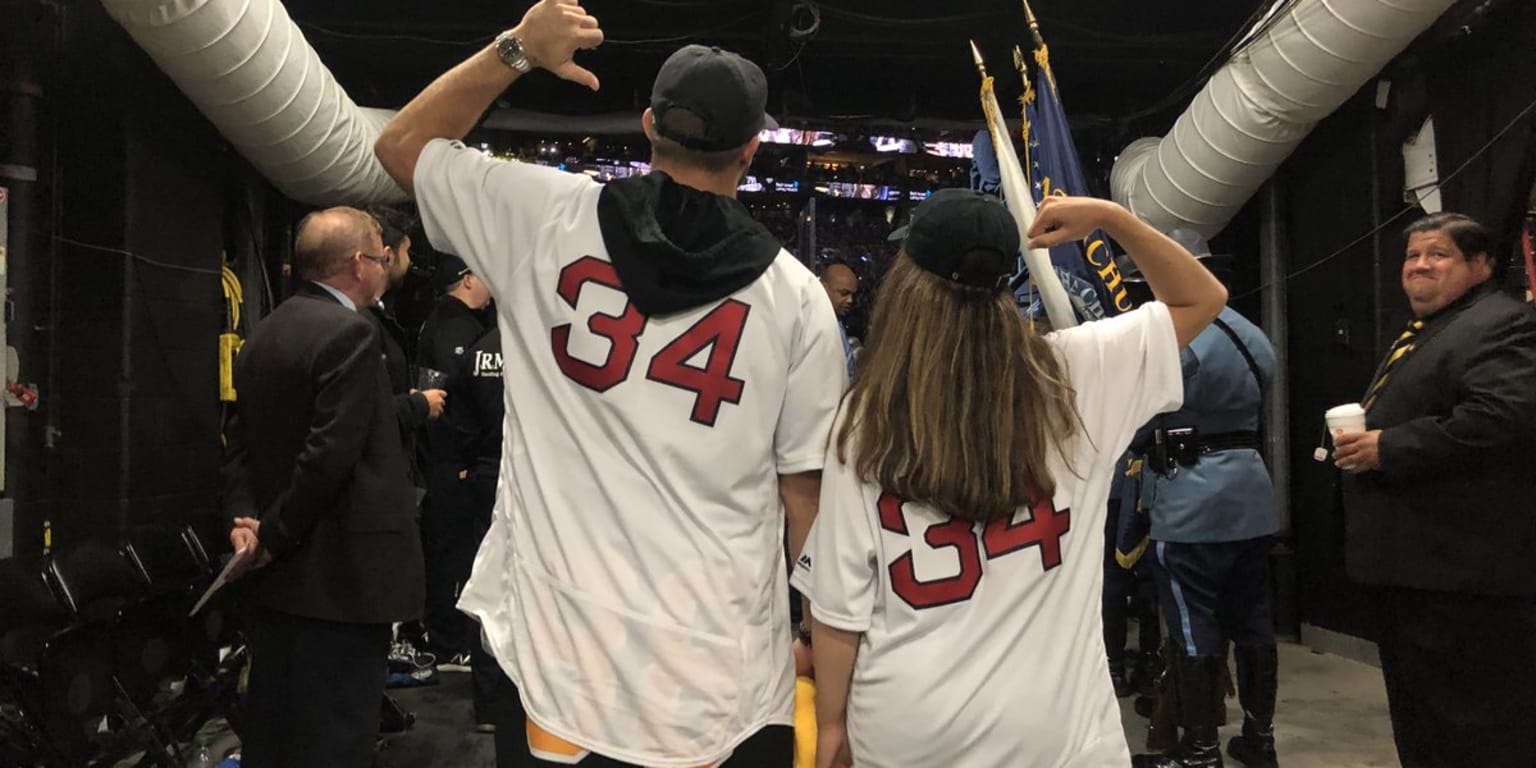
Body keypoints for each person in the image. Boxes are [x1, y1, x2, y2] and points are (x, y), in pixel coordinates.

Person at [374, 3, 848, 765]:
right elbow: (805, 503)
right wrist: (827, 657)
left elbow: (402, 145)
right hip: (715, 666)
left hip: (561, 652)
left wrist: (517, 49)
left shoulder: (544, 214)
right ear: (751, 150)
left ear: (649, 124)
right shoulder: (797, 298)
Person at [792, 190, 1227, 768]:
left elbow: (838, 608)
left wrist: (831, 724)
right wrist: (1111, 218)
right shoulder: (1075, 374)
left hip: (907, 730)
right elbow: (1202, 297)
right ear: (1004, 283)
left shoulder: (867, 412)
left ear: (905, 285)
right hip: (1057, 737)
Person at [220, 206, 425, 768]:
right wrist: (274, 535)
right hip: (340, 580)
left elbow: (238, 443)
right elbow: (330, 455)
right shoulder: (352, 333)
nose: (386, 265)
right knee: (336, 736)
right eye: (381, 254)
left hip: (278, 582)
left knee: (276, 731)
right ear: (358, 264)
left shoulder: (264, 332)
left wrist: (245, 522)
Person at [1334, 212, 1536, 767]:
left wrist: (1390, 446)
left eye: (1438, 254)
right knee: (1425, 721)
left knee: (1472, 727)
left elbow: (1503, 416)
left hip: (1464, 580)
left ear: (1481, 264)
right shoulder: (1431, 329)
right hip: (1418, 573)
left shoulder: (1502, 324)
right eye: (1412, 256)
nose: (1420, 265)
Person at [1130, 302, 1279, 768]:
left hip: (1189, 501)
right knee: (1254, 623)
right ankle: (1260, 740)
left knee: (1193, 629)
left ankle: (1200, 751)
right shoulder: (1251, 333)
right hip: (1251, 496)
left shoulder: (1174, 335)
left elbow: (1137, 419)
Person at [414, 252, 491, 665]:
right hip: (453, 461)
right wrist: (458, 457)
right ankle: (447, 638)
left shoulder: (452, 322)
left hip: (449, 458)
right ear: (467, 279)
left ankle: (449, 633)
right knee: (452, 550)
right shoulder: (453, 327)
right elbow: (445, 399)